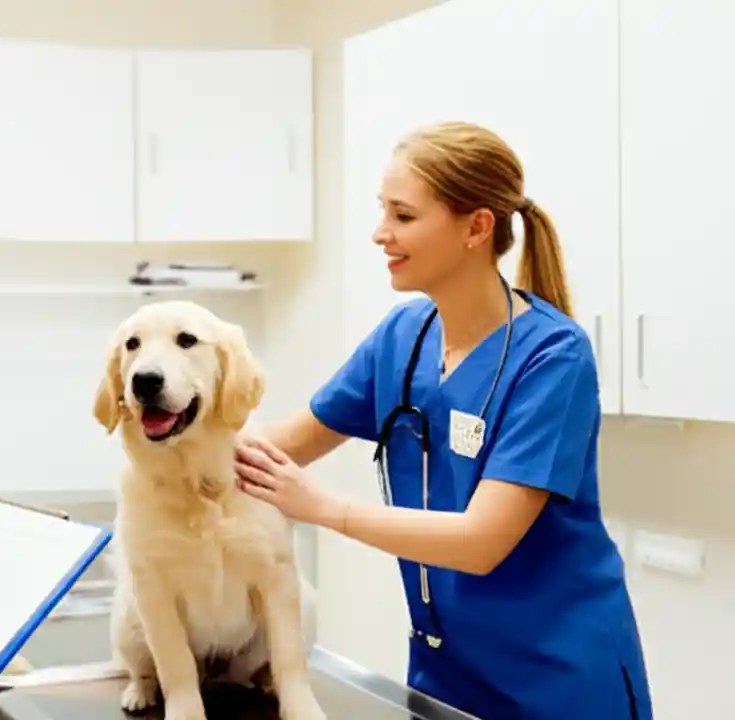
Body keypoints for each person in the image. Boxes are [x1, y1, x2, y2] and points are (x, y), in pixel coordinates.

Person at [235, 121, 652, 719]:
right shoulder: (402, 339)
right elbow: (273, 450)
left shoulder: (552, 357)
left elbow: (483, 542)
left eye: (403, 217)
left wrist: (321, 507)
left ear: (476, 228)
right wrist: (174, 437)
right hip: (446, 673)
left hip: (557, 677)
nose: (381, 234)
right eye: (383, 213)